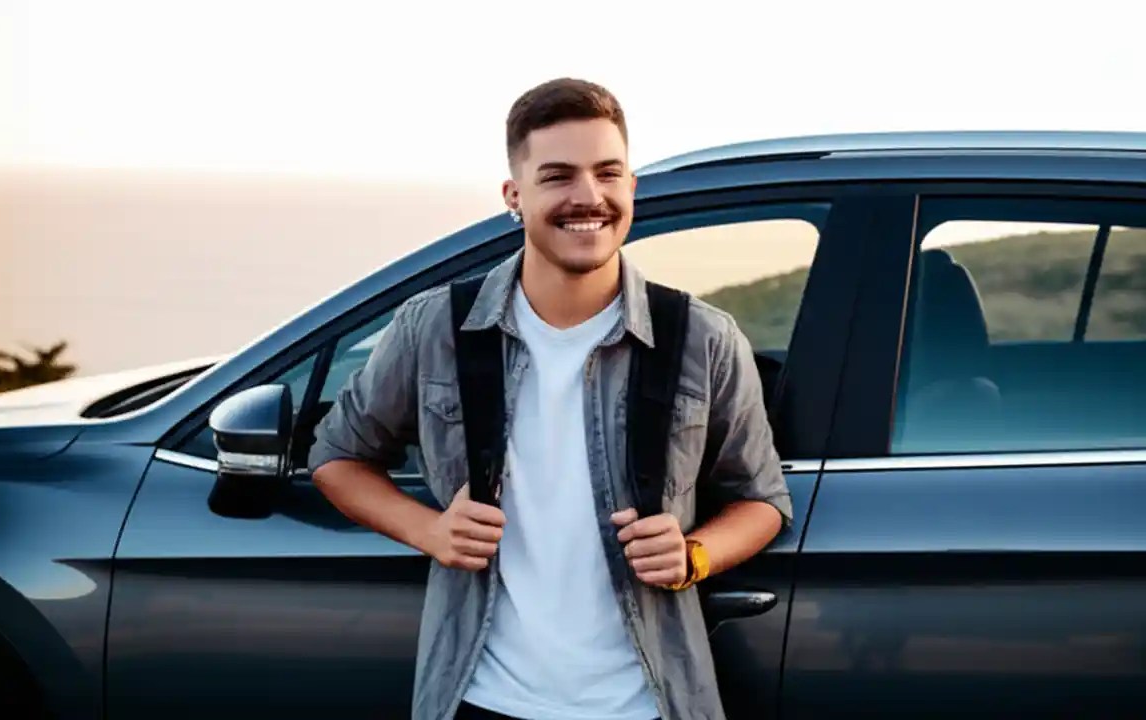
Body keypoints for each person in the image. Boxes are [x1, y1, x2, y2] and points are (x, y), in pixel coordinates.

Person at [309, 77, 792, 720]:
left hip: (648, 705)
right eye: (558, 176)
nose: (588, 197)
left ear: (631, 188)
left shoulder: (701, 338)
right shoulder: (435, 328)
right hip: (480, 699)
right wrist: (431, 531)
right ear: (515, 195)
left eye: (608, 173)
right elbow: (337, 457)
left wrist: (693, 555)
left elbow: (762, 501)